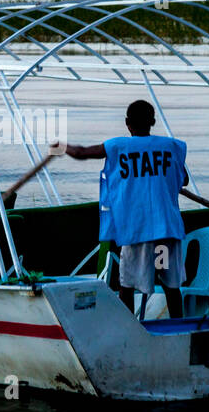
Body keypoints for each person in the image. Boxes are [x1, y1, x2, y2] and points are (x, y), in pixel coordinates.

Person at [54, 99, 189, 318]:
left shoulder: (117, 146)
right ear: (153, 121)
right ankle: (180, 329)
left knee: (127, 284)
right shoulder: (171, 146)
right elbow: (183, 180)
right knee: (169, 283)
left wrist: (59, 146)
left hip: (138, 233)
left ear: (127, 123)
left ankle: (128, 329)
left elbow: (81, 153)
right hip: (167, 233)